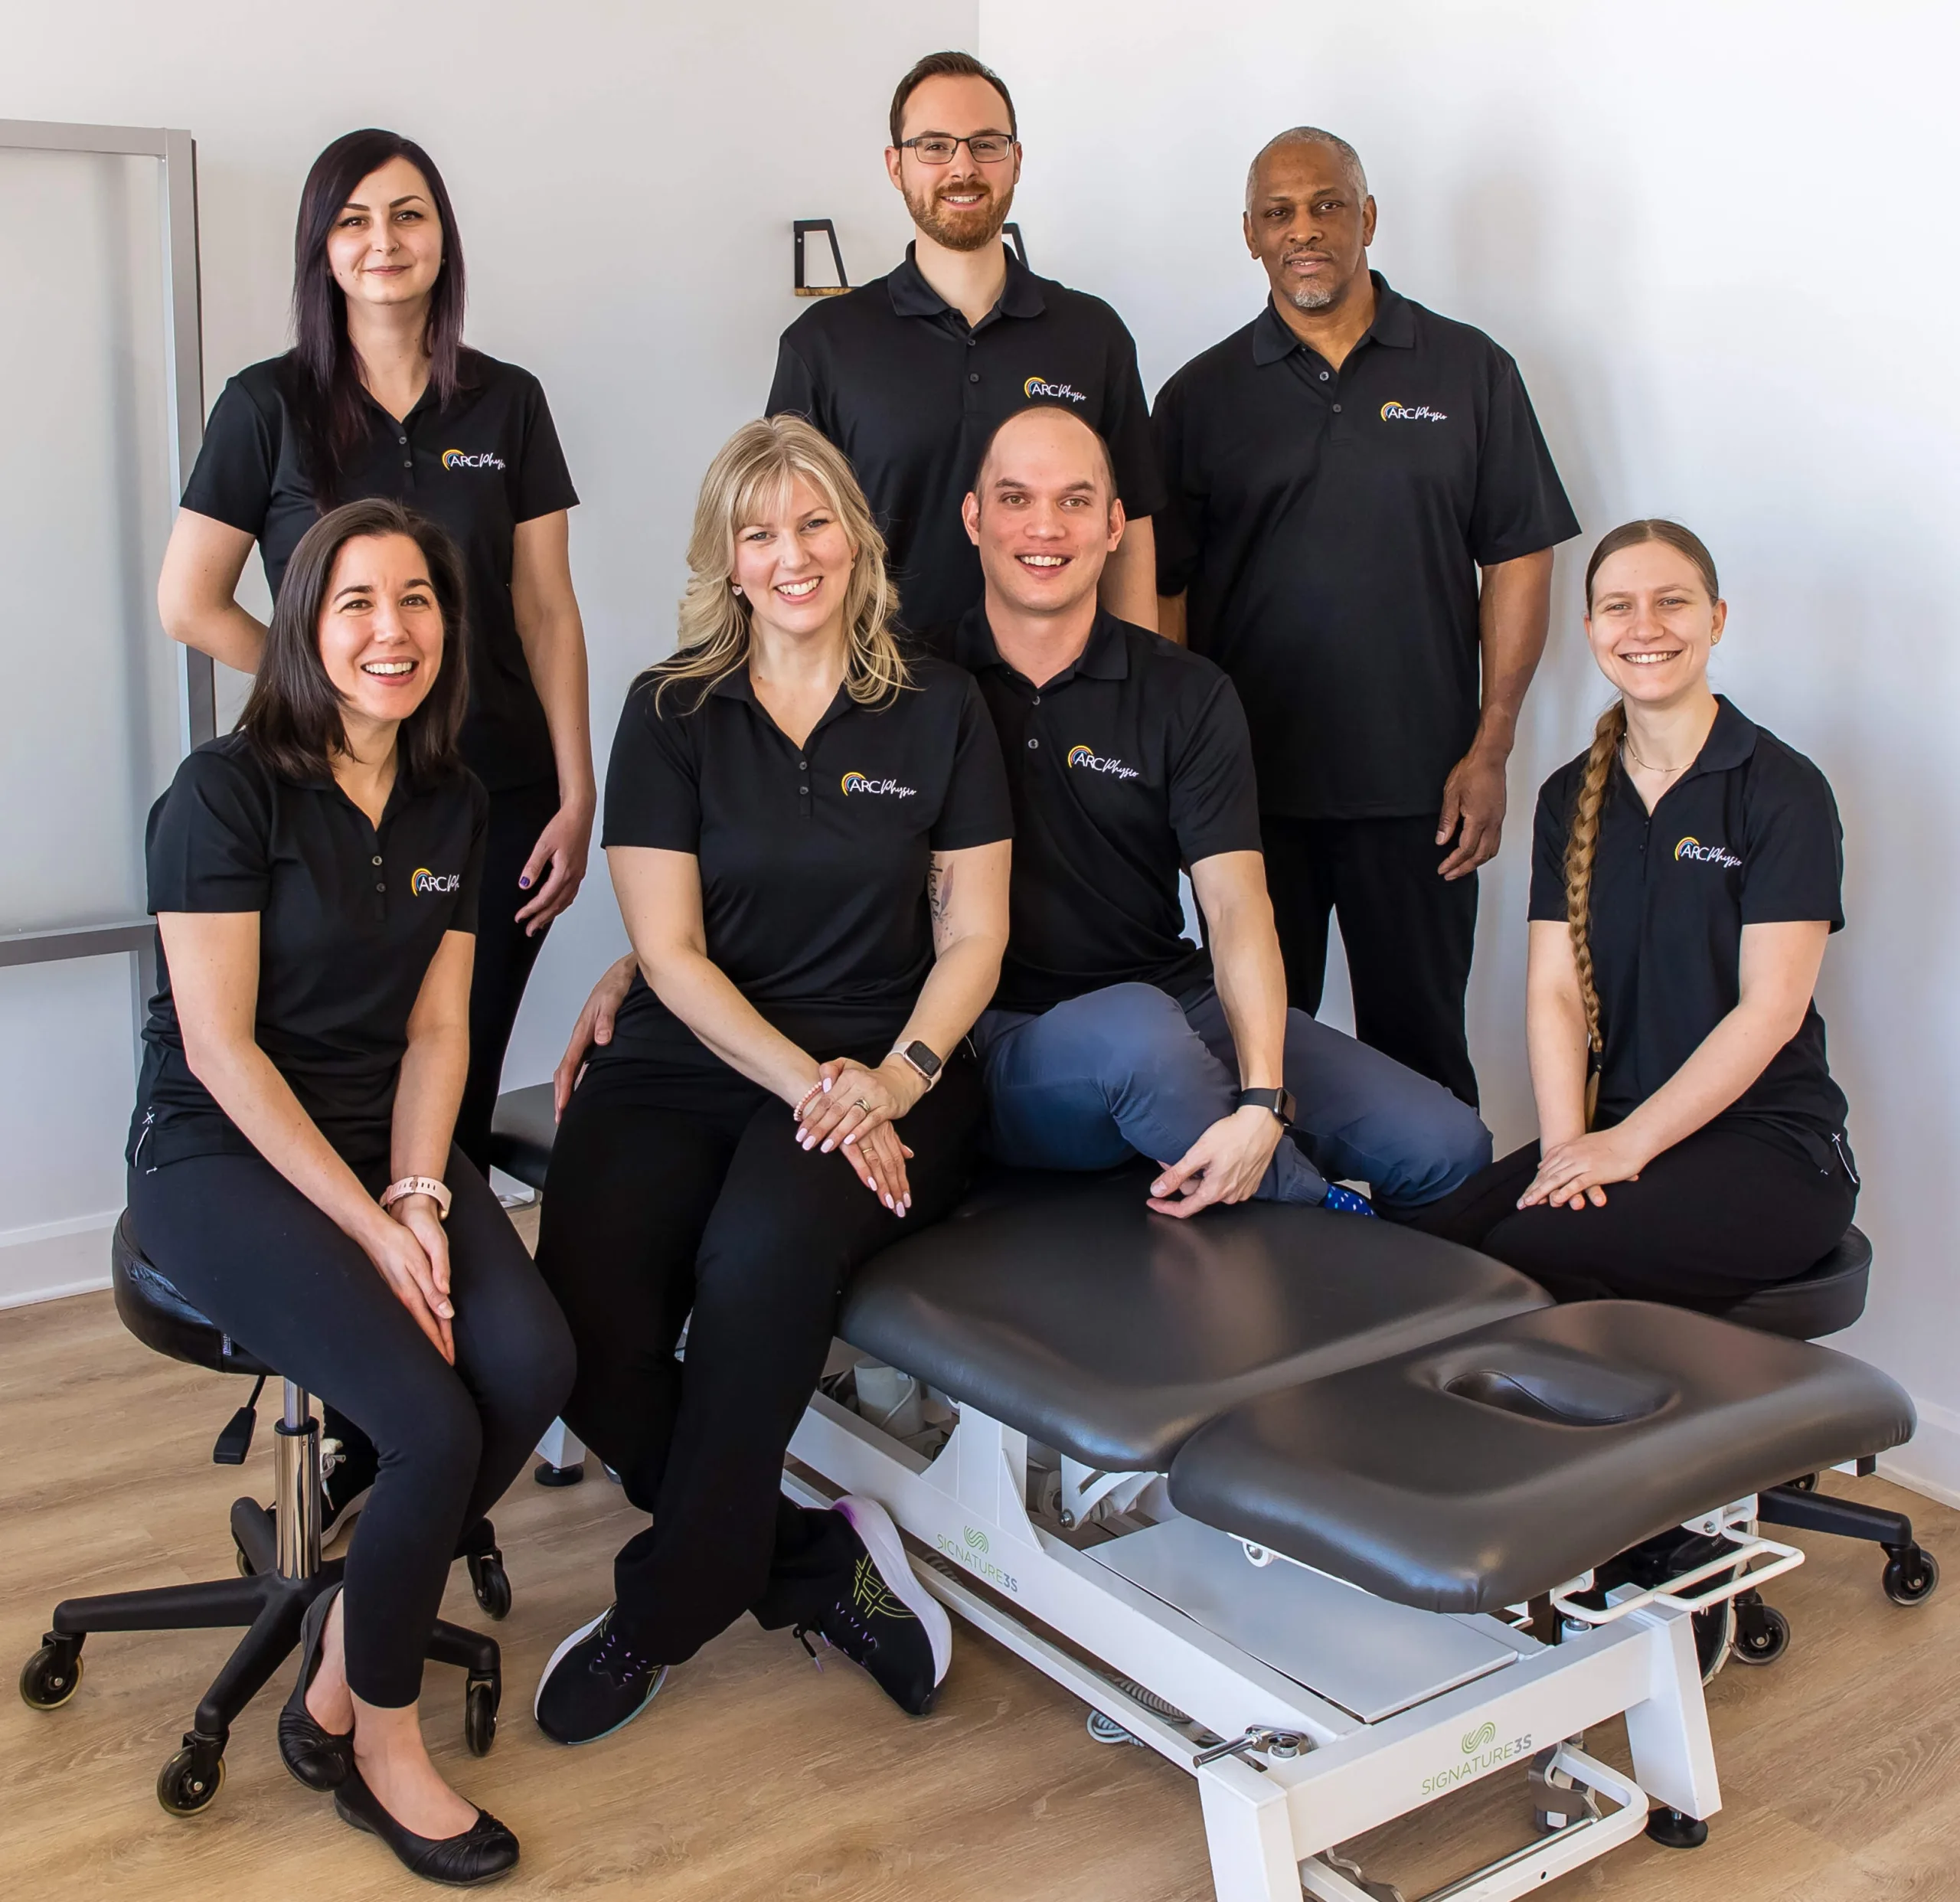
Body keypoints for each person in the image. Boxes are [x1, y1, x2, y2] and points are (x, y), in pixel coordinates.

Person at [564, 407, 1488, 1221]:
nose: (1044, 526)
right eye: (1014, 499)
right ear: (973, 519)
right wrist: (645, 959)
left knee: (1447, 1148)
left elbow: (1239, 908)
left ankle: (1409, 1343)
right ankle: (1320, 1218)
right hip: (1000, 1031)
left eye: (1075, 500)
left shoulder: (1186, 693)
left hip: (1174, 997)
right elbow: (785, 844)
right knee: (1139, 1042)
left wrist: (1261, 1095)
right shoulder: (906, 685)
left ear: (1115, 524)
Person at [529, 418, 1012, 1747]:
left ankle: (665, 1603)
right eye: (760, 533)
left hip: (892, 1054)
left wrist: (896, 1080)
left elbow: (974, 933)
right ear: (726, 562)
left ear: (858, 538)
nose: (793, 554)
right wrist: (815, 1085)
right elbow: (669, 954)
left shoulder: (938, 702)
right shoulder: (671, 707)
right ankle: (806, 1557)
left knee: (753, 1272)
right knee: (579, 1321)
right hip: (703, 1048)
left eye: (816, 524)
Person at [126, 498, 573, 1884]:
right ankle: (376, 1735)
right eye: (359, 603)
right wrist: (369, 1219)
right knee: (433, 1424)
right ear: (309, 629)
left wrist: (427, 1193)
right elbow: (221, 1046)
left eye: (420, 600)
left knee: (534, 1358)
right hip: (221, 1147)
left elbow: (440, 1029)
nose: (395, 631)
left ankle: (336, 1647)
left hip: (390, 1137)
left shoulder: (456, 796)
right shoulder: (225, 790)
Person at [157, 127, 594, 1172]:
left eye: (407, 215)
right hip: (320, 796)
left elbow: (547, 611)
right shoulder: (266, 406)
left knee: (460, 1069)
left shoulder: (508, 401)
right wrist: (329, 691)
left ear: (443, 237)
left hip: (496, 793)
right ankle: (337, 1281)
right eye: (352, 220)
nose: (382, 241)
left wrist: (579, 796)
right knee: (329, 1061)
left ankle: (442, 1266)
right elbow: (189, 602)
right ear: (320, 248)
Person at [1152, 126, 1580, 1107]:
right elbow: (1160, 597)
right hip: (1248, 801)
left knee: (1421, 1055)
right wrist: (1173, 774)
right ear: (1250, 236)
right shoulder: (1197, 399)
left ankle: (1436, 1260)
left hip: (1423, 790)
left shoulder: (1469, 372)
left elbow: (1517, 556)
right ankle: (1270, 1254)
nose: (1305, 230)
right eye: (1279, 213)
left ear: (1368, 218)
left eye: (1327, 204)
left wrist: (1493, 746)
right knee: (1257, 1062)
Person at [1403, 521, 1858, 1306]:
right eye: (1618, 608)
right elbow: (1555, 994)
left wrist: (1626, 1147)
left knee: (1526, 1255)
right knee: (1432, 1252)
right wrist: (1565, 1150)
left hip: (1773, 1147)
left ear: (1715, 620)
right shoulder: (1567, 796)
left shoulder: (1780, 790)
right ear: (1590, 632)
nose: (1643, 627)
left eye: (1671, 603)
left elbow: (1771, 1010)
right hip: (1615, 1128)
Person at [768, 49, 1164, 633]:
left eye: (986, 144)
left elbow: (1128, 535)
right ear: (895, 165)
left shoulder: (1093, 334)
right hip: (881, 700)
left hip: (1059, 703)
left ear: (1016, 159)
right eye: (934, 146)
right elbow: (785, 548)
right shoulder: (822, 345)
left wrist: (1137, 696)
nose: (963, 167)